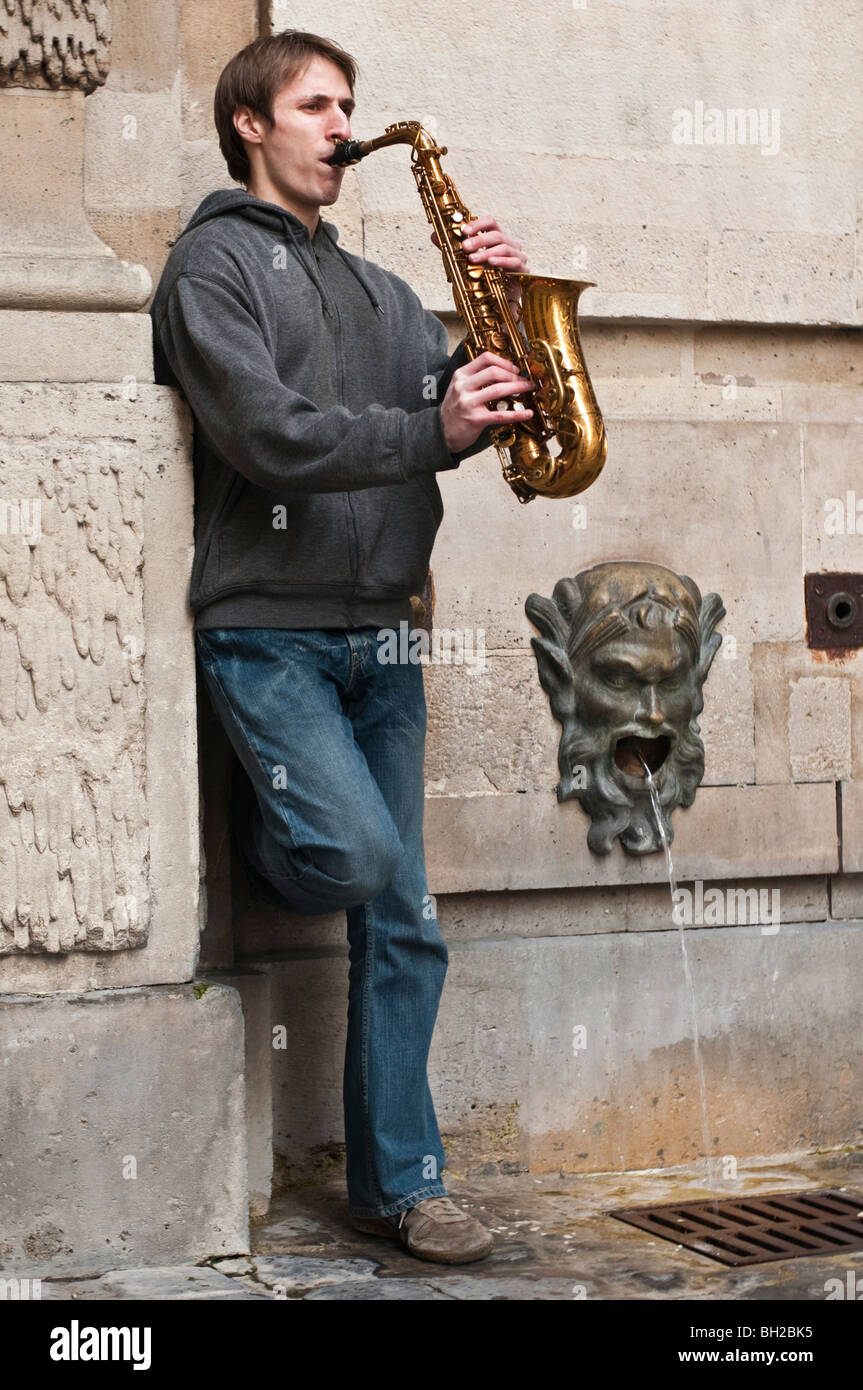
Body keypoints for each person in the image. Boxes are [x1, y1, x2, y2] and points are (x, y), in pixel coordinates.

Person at [150, 29, 535, 1266]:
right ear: (250, 124)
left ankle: (402, 1187)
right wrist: (430, 426)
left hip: (388, 641)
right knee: (354, 852)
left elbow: (504, 428)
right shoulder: (210, 267)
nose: (341, 125)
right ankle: (279, 846)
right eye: (316, 104)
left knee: (407, 917)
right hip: (269, 630)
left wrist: (510, 317)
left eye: (349, 105)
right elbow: (272, 435)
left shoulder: (382, 294)